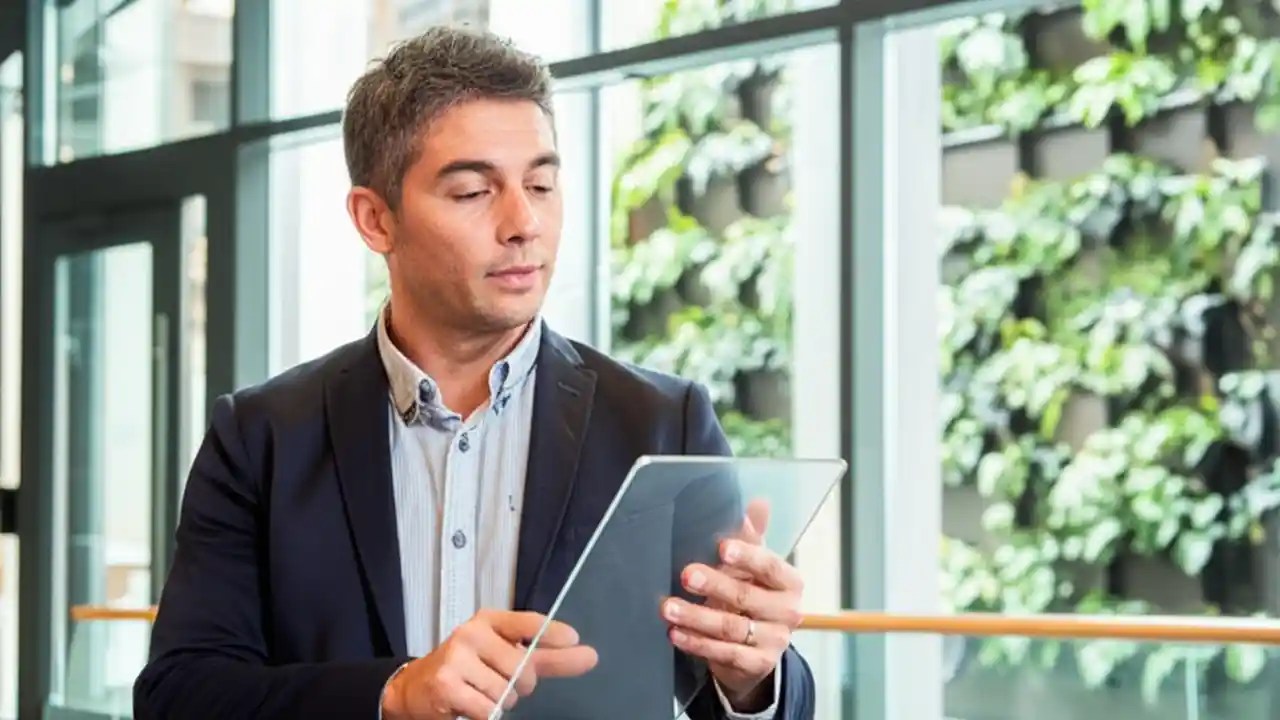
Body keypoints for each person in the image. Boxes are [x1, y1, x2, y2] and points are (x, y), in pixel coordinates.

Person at [133, 25, 815, 720]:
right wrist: (394, 692)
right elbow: (179, 695)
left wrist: (751, 679)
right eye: (471, 193)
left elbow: (732, 682)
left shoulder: (662, 422)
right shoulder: (261, 438)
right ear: (376, 221)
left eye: (542, 184)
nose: (525, 222)